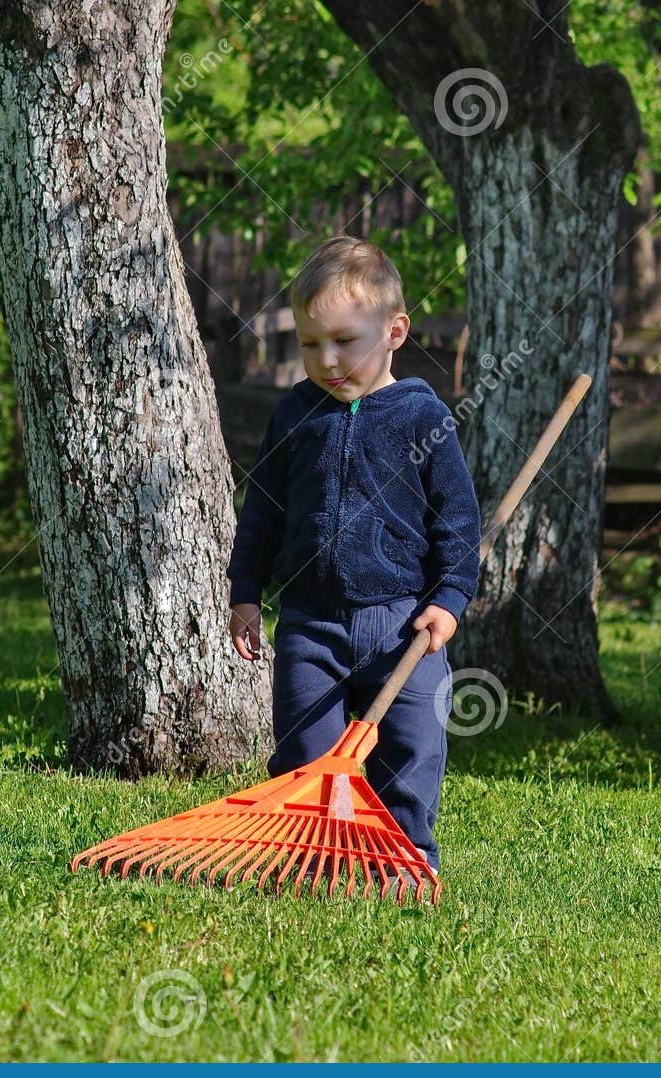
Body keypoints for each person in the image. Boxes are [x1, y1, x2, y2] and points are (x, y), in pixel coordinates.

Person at [225, 235, 480, 877]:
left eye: (344, 340)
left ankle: (405, 857)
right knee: (304, 750)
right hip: (311, 623)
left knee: (411, 744)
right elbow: (263, 512)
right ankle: (310, 855)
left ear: (394, 331)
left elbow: (457, 523)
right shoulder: (295, 414)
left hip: (402, 625)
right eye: (311, 344)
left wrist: (448, 601)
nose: (327, 359)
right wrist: (246, 592)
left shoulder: (423, 416)